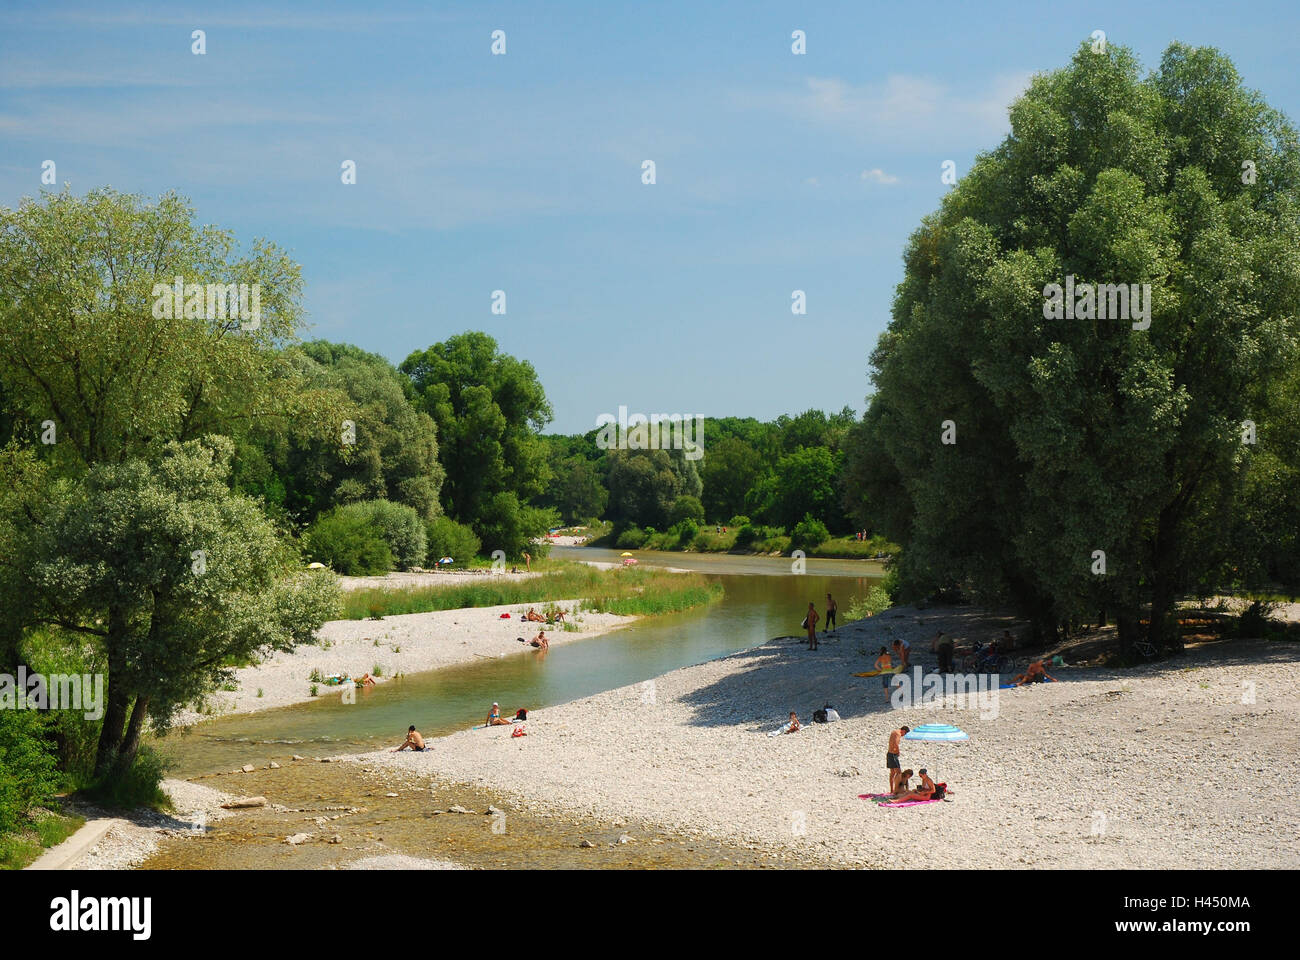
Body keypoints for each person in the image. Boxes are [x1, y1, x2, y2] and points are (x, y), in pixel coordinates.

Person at [886, 725, 910, 794]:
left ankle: (891, 790)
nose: (903, 735)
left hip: (889, 754)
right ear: (904, 731)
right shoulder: (898, 733)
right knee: (899, 772)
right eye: (904, 734)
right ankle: (896, 789)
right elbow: (896, 744)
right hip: (893, 754)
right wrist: (898, 752)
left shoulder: (894, 732)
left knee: (892, 773)